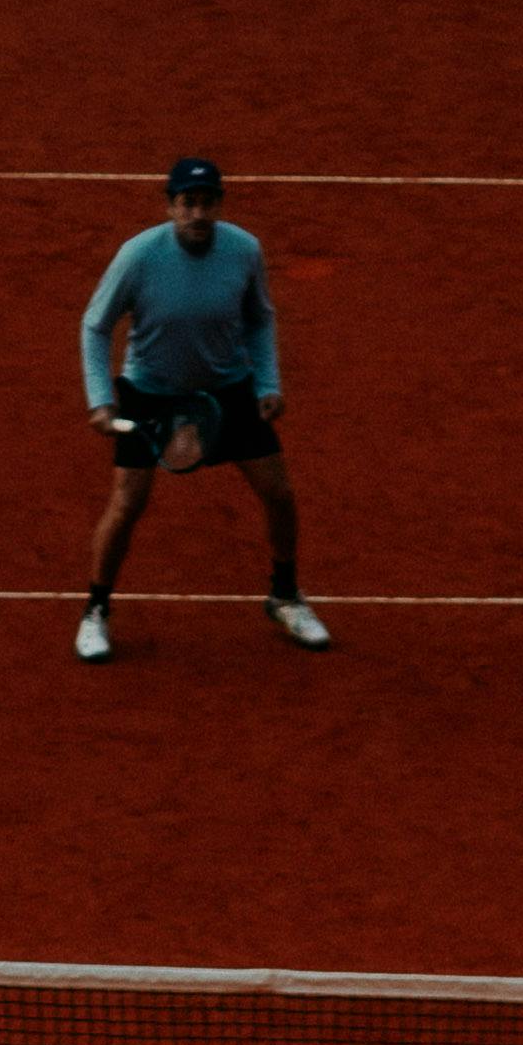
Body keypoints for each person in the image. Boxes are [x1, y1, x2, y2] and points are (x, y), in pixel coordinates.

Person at [76, 159, 329, 666]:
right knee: (127, 504)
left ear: (218, 205)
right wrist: (101, 399)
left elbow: (259, 319)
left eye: (206, 202)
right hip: (150, 393)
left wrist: (267, 383)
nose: (197, 212)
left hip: (228, 389)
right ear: (171, 206)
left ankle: (284, 596)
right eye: (187, 202)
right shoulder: (138, 256)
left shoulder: (244, 250)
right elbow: (95, 325)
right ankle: (95, 610)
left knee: (279, 493)